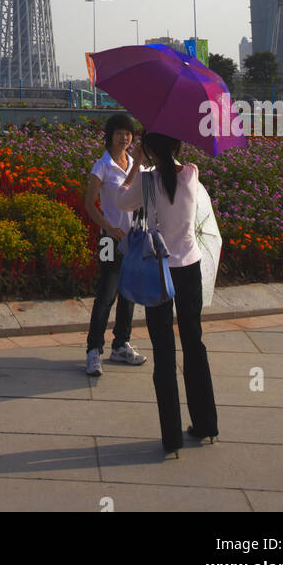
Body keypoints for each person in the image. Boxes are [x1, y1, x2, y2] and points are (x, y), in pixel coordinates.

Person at [114, 131, 218, 460]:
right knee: (194, 343)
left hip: (159, 272)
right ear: (177, 146)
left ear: (147, 150)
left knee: (163, 351)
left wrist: (137, 164)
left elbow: (118, 200)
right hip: (189, 269)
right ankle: (206, 425)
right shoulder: (190, 174)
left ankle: (171, 436)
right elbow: (175, 171)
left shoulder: (146, 183)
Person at [83, 112, 148, 374]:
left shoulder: (135, 162)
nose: (125, 137)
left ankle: (121, 344)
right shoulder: (102, 166)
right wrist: (109, 228)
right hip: (110, 240)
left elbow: (141, 194)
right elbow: (89, 204)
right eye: (120, 133)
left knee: (129, 294)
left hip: (132, 239)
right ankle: (93, 350)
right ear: (109, 136)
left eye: (128, 133)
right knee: (106, 294)